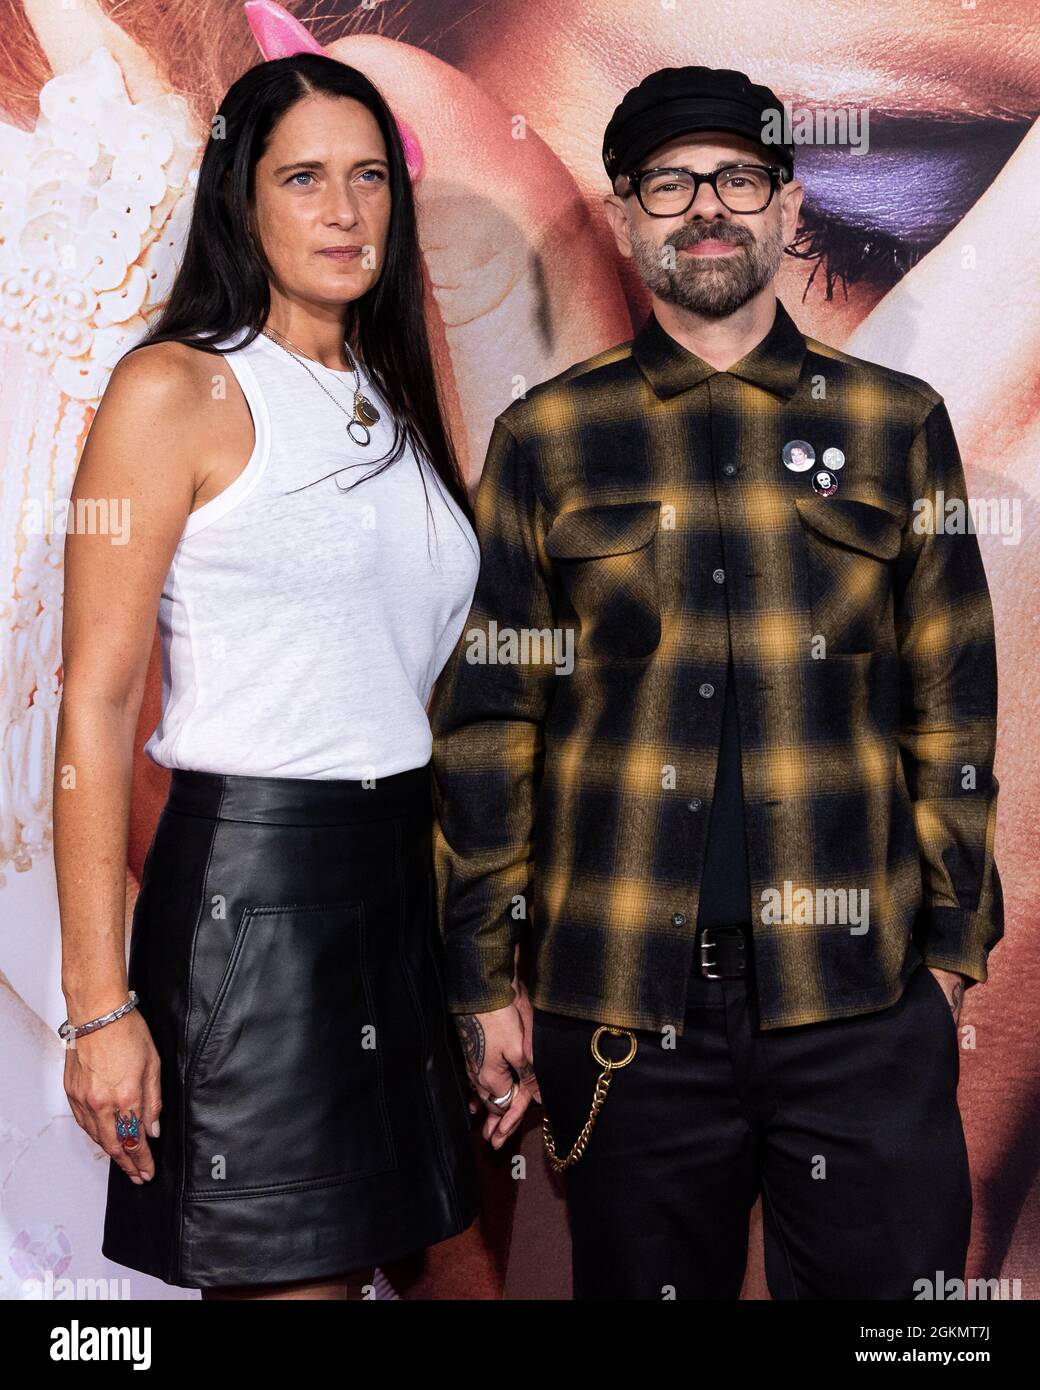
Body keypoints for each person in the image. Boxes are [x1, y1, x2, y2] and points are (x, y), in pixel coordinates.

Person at [429, 66, 1003, 1299]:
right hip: (626, 1011)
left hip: (859, 998)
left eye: (738, 179)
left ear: (788, 208)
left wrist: (946, 955)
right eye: (671, 183)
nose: (707, 209)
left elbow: (951, 699)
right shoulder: (546, 439)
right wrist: (483, 981)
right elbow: (489, 728)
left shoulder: (896, 424)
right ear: (627, 214)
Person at [54, 52, 480, 1299]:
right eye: (303, 179)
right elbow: (91, 701)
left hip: (396, 895)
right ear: (241, 201)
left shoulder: (390, 397)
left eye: (366, 179)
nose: (345, 213)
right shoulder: (175, 387)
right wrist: (96, 1004)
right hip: (255, 903)